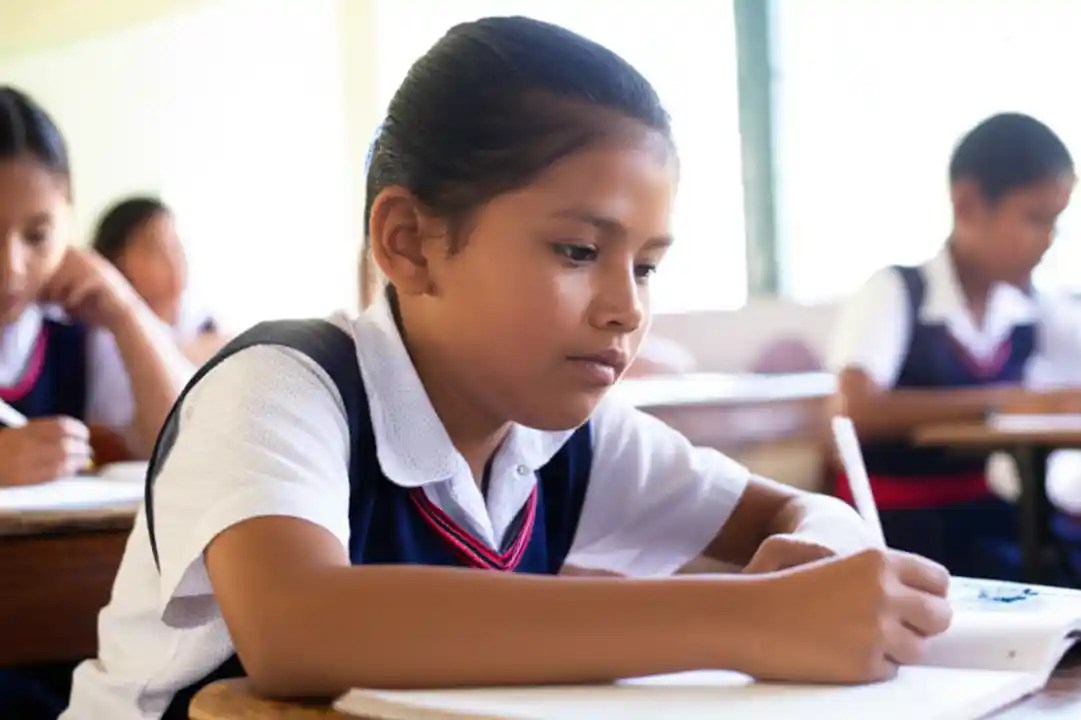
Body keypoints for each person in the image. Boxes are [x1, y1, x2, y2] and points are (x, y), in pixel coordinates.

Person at [65, 18, 951, 719]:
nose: (627, 308)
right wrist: (750, 622)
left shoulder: (572, 437)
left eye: (646, 266)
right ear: (408, 243)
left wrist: (825, 574)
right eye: (577, 249)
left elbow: (807, 511)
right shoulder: (281, 386)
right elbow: (299, 626)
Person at [827, 112, 1081, 584]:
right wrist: (1019, 402)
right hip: (895, 527)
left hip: (986, 513)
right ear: (967, 205)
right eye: (1034, 218)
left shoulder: (1026, 303)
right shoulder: (897, 292)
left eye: (1055, 222)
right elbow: (855, 406)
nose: (1047, 240)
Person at [0, 87, 191, 718]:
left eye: (37, 234)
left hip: (79, 629)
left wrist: (126, 310)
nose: (10, 269)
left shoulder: (73, 330)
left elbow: (184, 439)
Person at [91, 196, 227, 364]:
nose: (172, 260)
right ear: (115, 264)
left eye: (175, 246)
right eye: (155, 249)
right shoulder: (108, 337)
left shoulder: (202, 319)